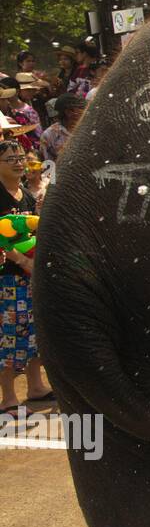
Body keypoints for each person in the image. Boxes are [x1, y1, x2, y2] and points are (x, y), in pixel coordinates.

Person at [0, 140, 49, 419]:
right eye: (10, 159)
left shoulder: (26, 196)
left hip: (29, 275)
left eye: (21, 158)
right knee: (11, 337)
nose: (19, 163)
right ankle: (8, 398)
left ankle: (37, 387)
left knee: (34, 333)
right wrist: (22, 260)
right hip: (8, 278)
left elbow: (30, 233)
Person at [42, 93, 84, 161]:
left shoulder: (87, 128)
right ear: (69, 112)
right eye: (81, 108)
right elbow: (47, 163)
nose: (85, 110)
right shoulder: (49, 135)